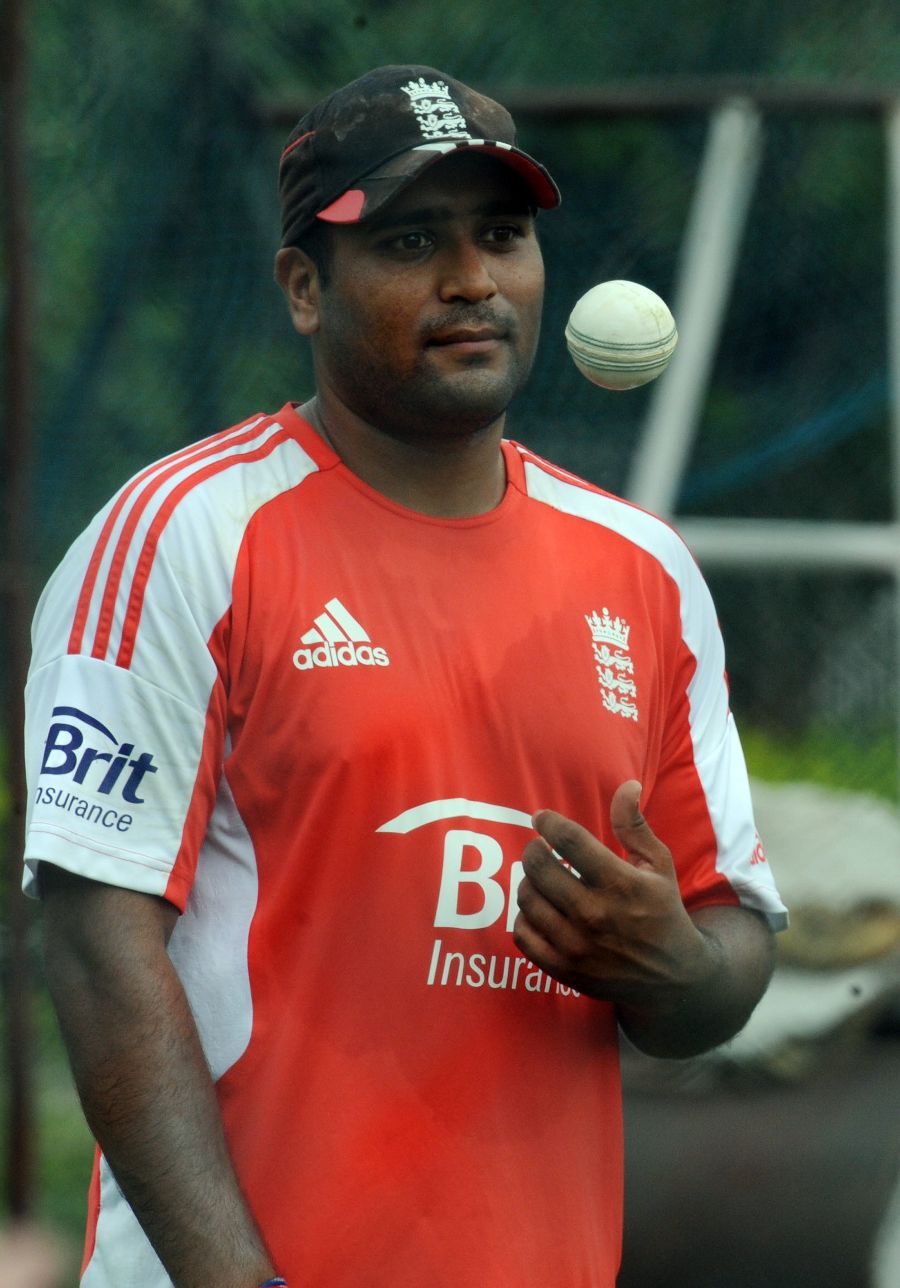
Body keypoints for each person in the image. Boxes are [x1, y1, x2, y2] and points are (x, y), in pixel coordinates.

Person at [24, 64, 788, 1288]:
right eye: (410, 239)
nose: (472, 278)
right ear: (301, 288)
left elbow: (729, 938)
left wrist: (675, 965)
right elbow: (96, 947)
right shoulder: (180, 537)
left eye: (502, 235)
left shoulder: (643, 571)